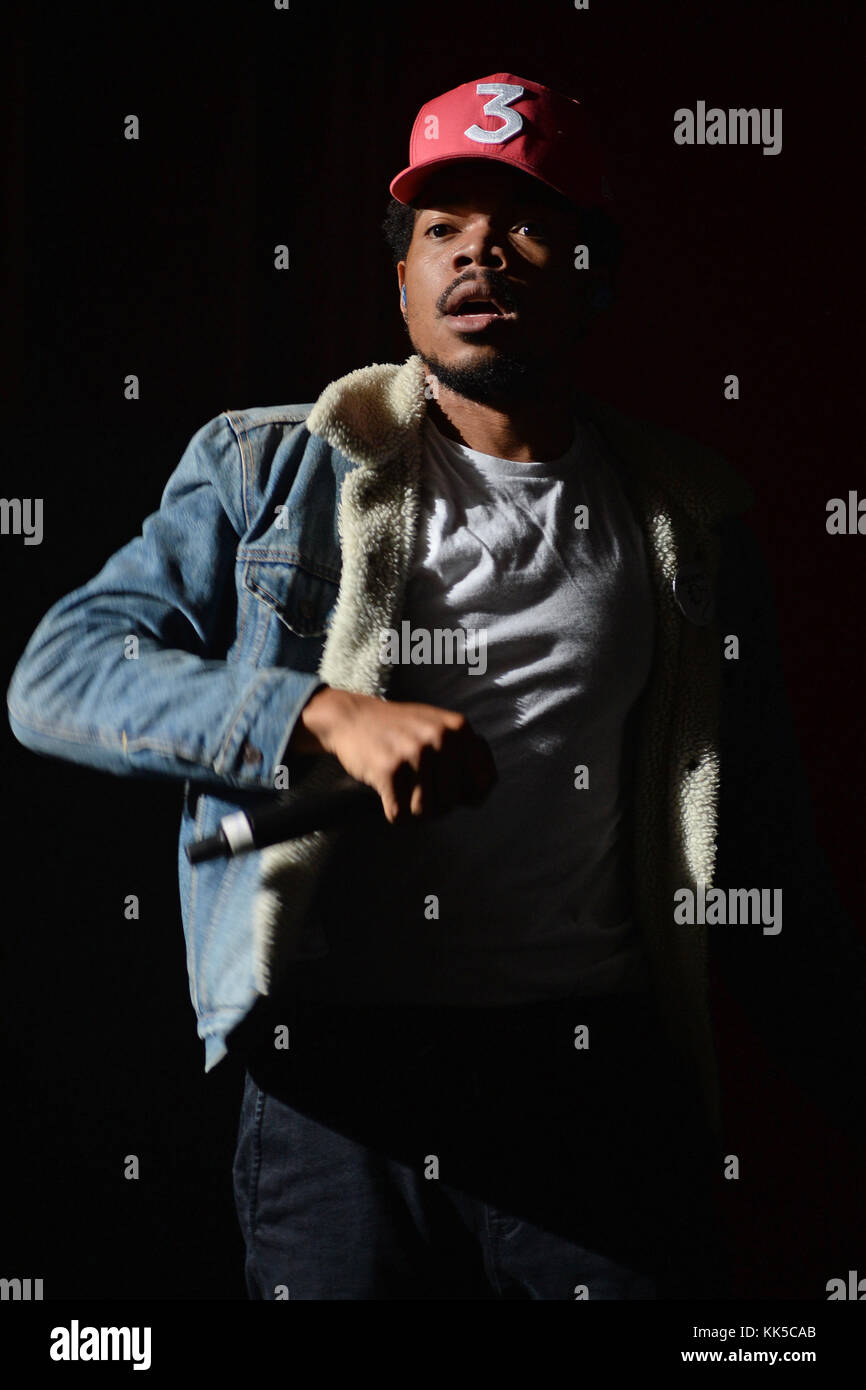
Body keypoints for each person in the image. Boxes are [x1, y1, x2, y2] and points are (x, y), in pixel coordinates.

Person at [7, 72, 865, 1301]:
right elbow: (58, 675)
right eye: (441, 230)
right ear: (400, 279)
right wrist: (316, 713)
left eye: (524, 225)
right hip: (337, 1085)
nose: (480, 258)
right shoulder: (268, 466)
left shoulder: (692, 520)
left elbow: (764, 849)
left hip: (588, 1079)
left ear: (594, 276)